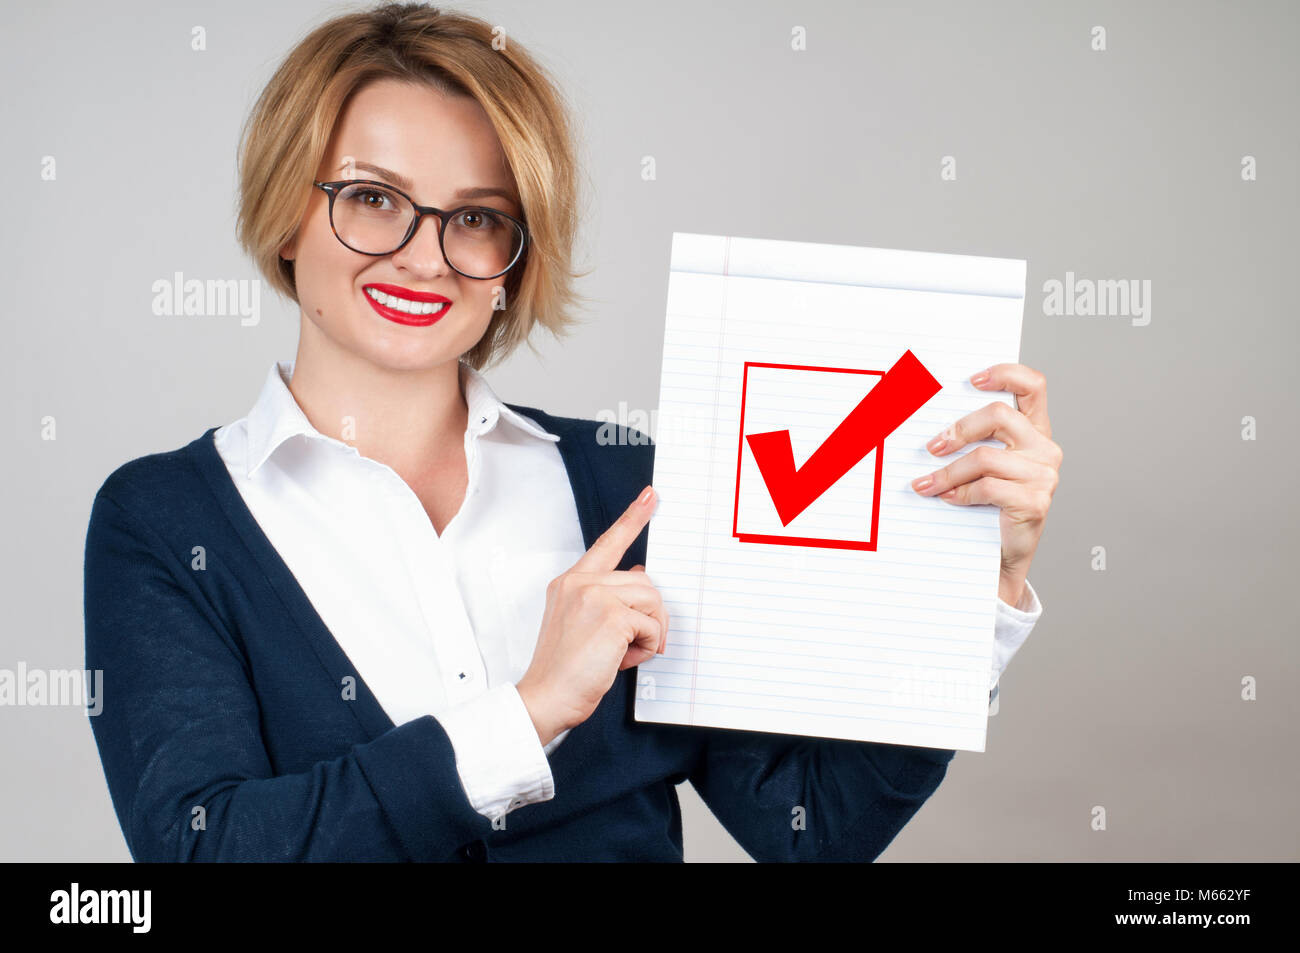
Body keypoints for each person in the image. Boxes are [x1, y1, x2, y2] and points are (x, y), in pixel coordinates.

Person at [83, 1, 1061, 862]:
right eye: (372, 197)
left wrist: (972, 584)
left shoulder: (630, 483)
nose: (425, 257)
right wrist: (528, 708)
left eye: (476, 217)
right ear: (287, 213)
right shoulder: (165, 519)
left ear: (514, 253)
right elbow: (198, 847)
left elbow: (812, 828)